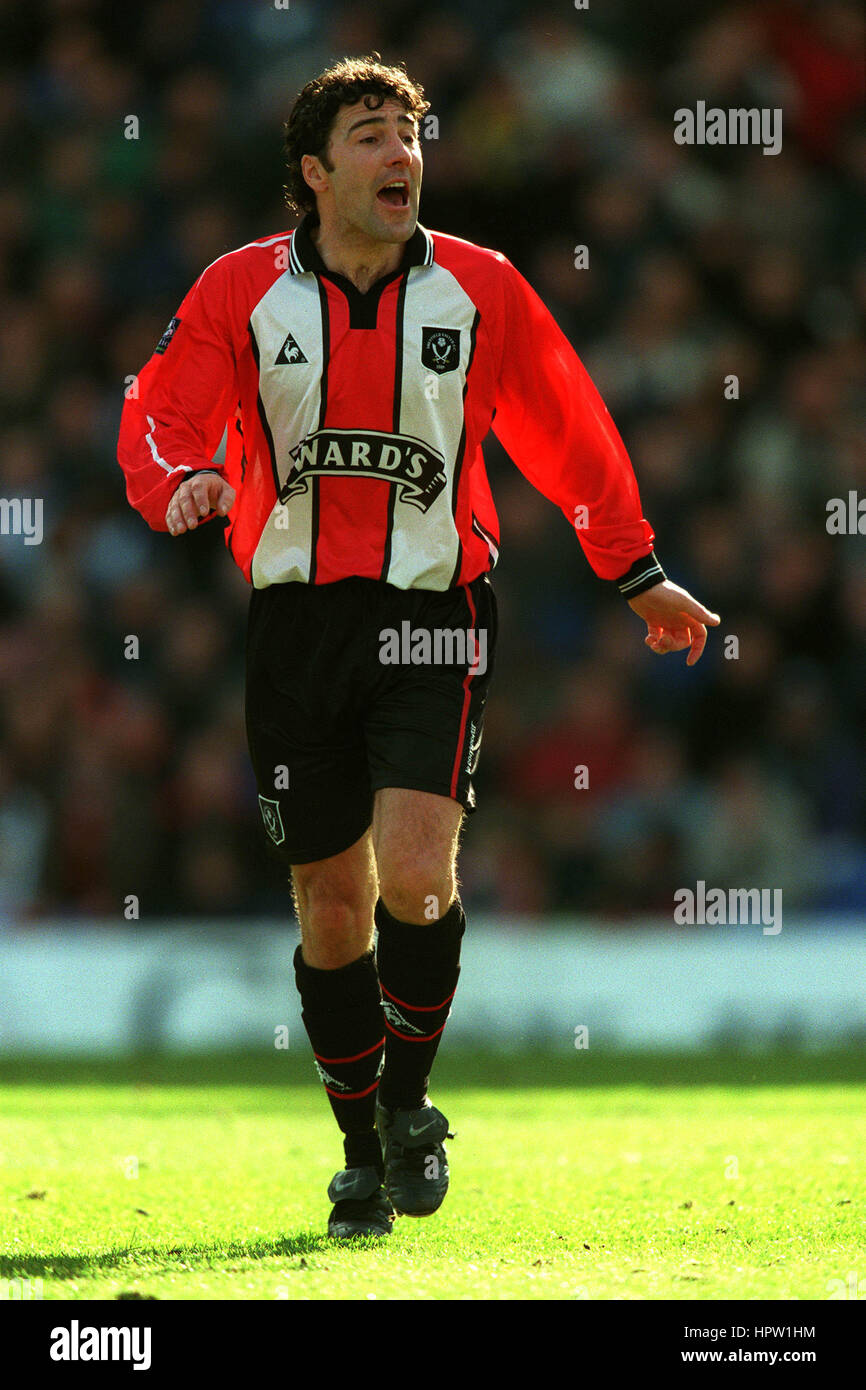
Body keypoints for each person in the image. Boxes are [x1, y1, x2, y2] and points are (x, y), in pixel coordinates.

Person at [117, 54, 720, 1241]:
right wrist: (178, 483)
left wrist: (634, 569)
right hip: (295, 625)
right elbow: (160, 408)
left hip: (429, 612)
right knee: (330, 907)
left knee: (419, 872)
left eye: (411, 131)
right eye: (370, 135)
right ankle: (357, 1151)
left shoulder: (481, 289)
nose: (402, 153)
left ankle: (407, 1104)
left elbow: (567, 426)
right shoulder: (242, 289)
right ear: (313, 170)